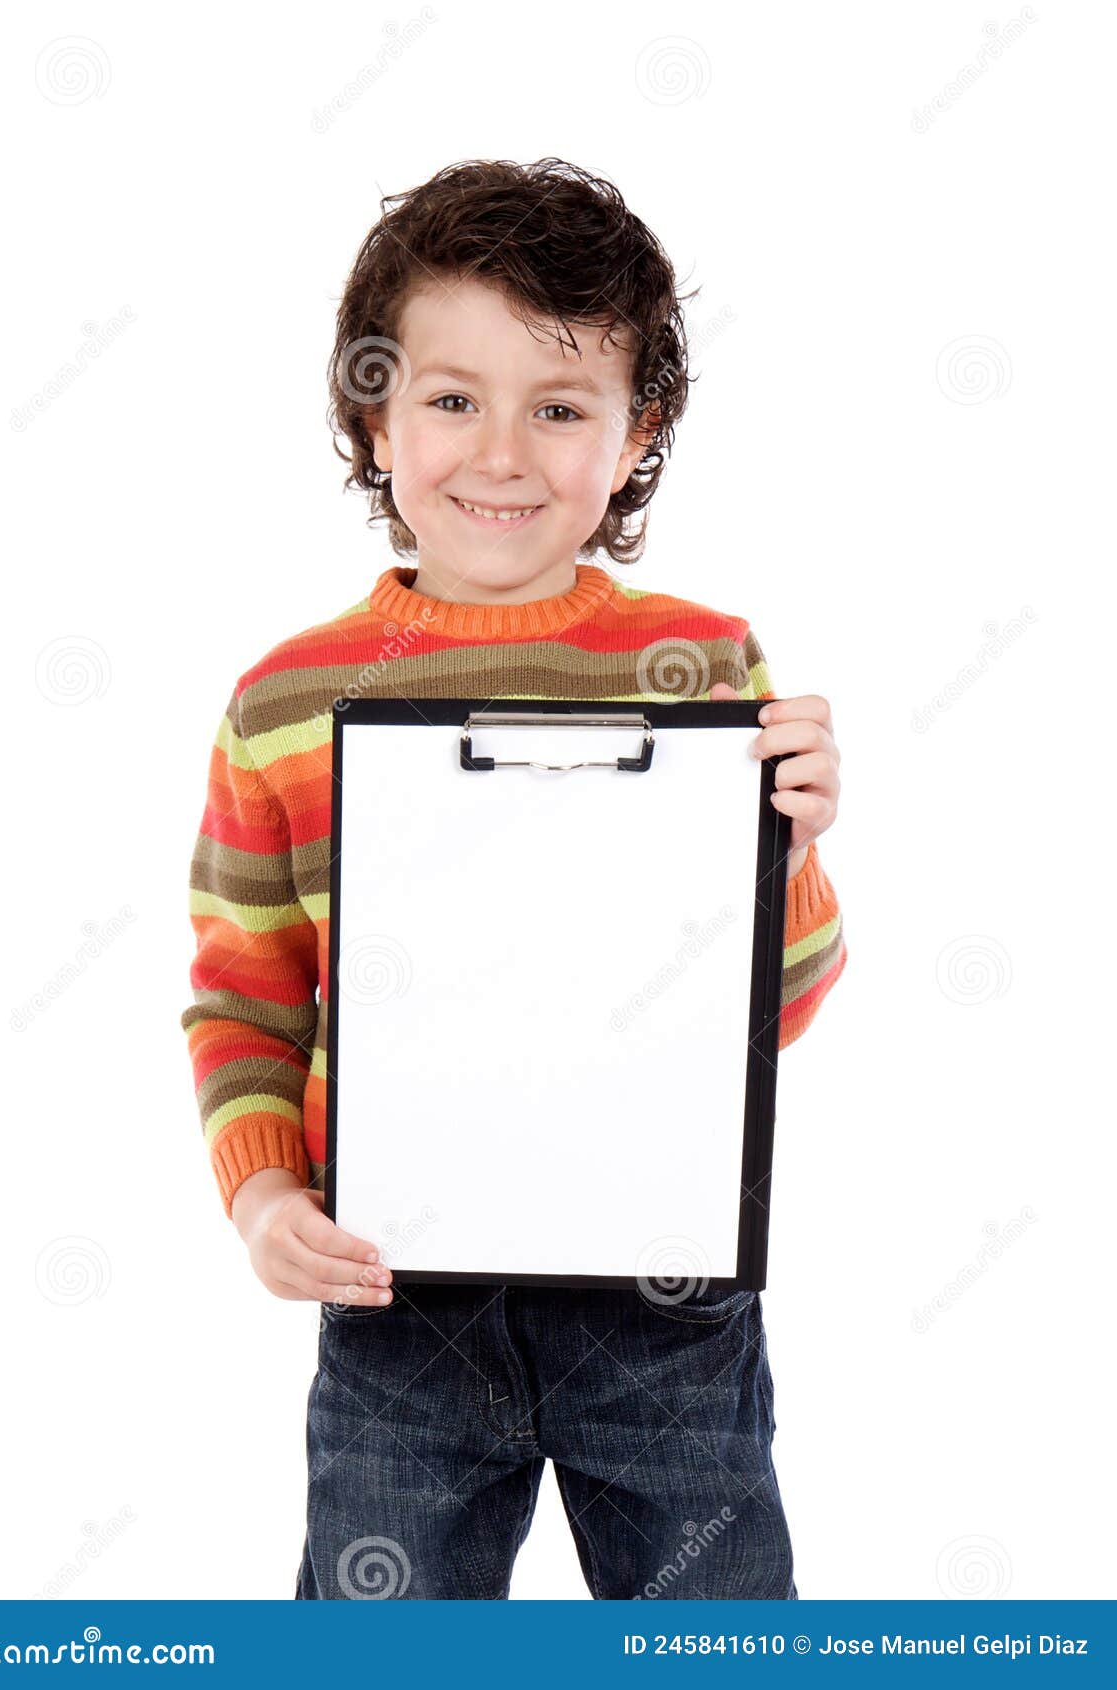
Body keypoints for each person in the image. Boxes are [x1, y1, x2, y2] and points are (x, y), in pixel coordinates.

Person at [180, 157, 847, 1601]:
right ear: (375, 411)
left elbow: (770, 1014)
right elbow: (242, 996)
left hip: (664, 1282)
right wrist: (261, 1197)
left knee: (719, 1633)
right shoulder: (283, 697)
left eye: (559, 408)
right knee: (380, 1638)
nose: (500, 453)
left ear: (634, 433)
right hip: (395, 1285)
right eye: (448, 397)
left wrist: (787, 850)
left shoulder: (705, 665)